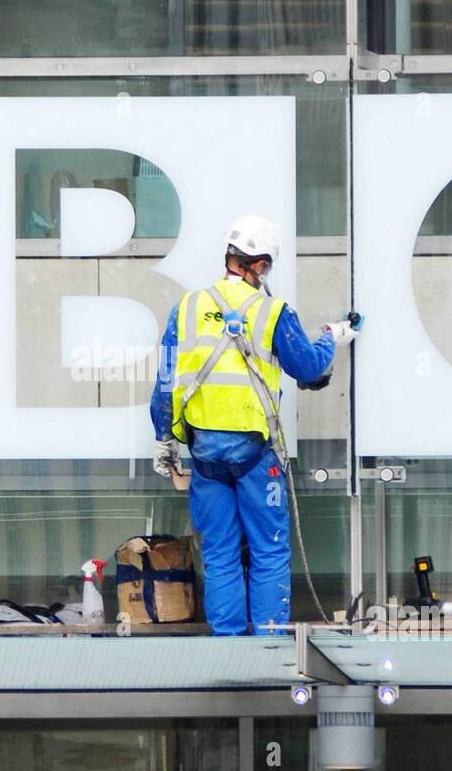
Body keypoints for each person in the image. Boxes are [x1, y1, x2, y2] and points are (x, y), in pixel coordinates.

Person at [149, 215, 360, 636]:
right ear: (261, 265)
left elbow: (166, 383)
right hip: (254, 455)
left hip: (205, 455)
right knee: (268, 551)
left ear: (229, 256)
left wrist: (164, 439)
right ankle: (268, 645)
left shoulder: (187, 307)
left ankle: (230, 644)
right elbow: (307, 367)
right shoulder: (273, 312)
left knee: (221, 554)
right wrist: (332, 335)